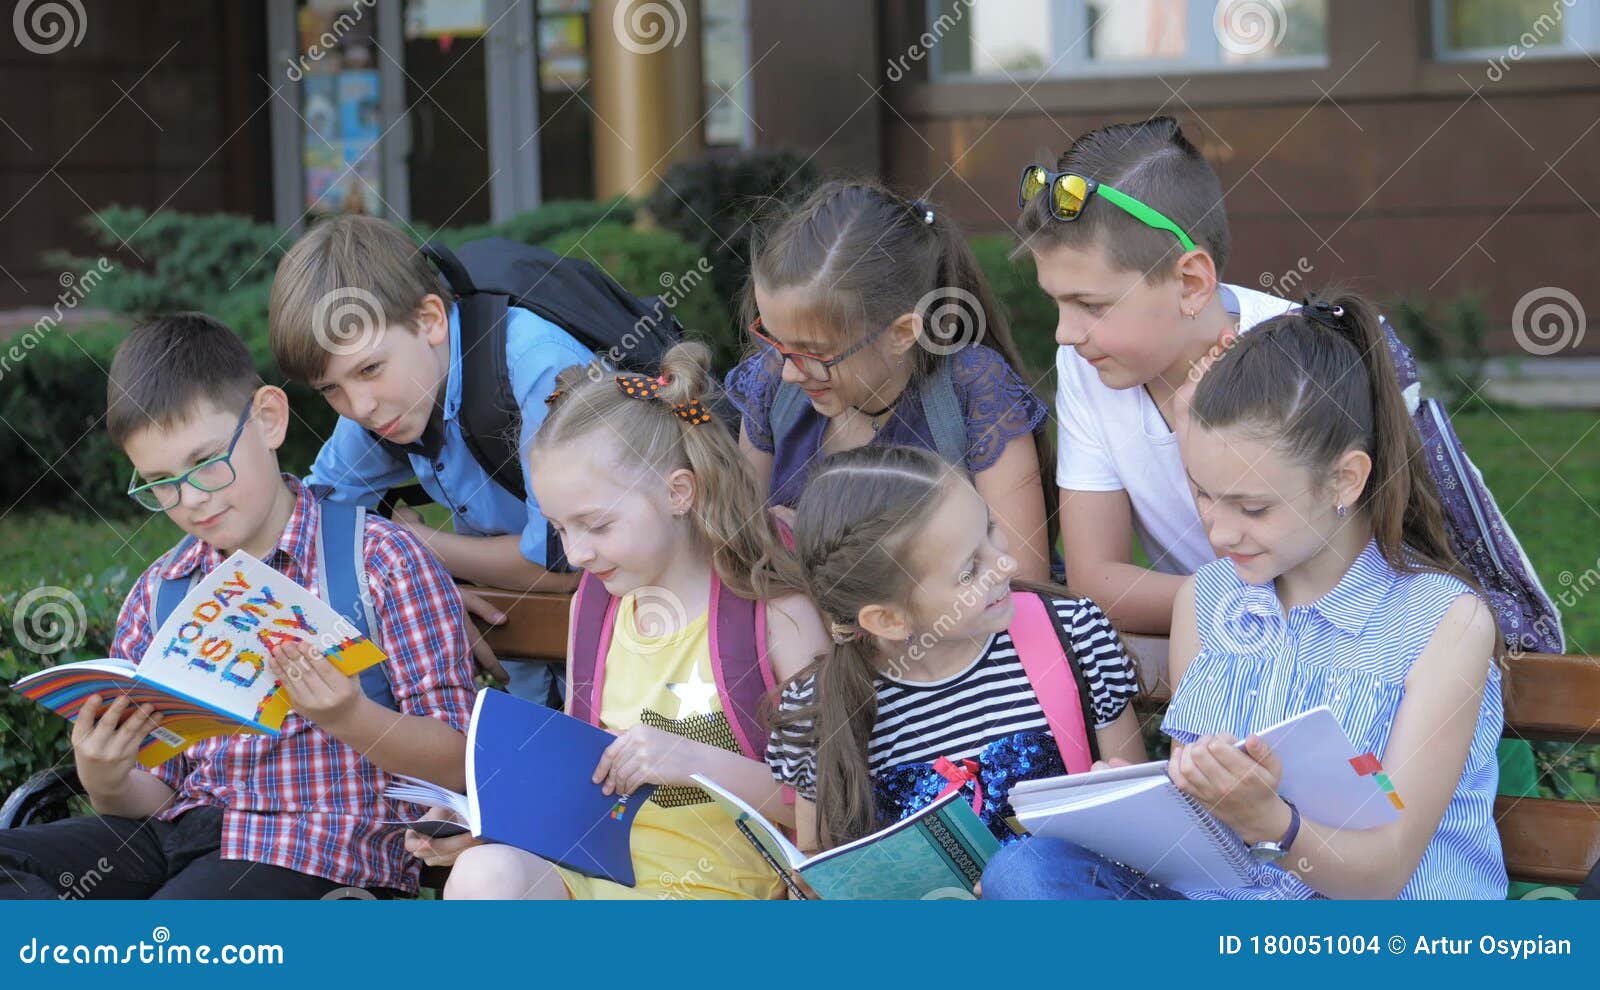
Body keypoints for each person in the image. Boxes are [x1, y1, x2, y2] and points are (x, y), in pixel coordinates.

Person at [982, 294, 1507, 900]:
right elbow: (1200, 837)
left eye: (1252, 507)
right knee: (1029, 872)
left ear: (1346, 479)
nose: (1219, 533)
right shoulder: (1206, 601)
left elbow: (1386, 872)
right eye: (1203, 494)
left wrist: (1274, 825)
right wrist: (1143, 812)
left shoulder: (1444, 621)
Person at [0, 313, 476, 899]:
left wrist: (350, 719)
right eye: (161, 482)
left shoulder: (379, 562)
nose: (191, 499)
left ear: (269, 419)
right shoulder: (162, 590)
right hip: (184, 837)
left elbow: (461, 762)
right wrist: (107, 777)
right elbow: (159, 799)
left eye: (205, 463)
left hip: (322, 852)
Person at [409, 343, 829, 899]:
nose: (577, 552)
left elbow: (829, 805)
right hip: (598, 868)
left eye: (596, 525)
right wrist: (486, 817)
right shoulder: (600, 608)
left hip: (721, 888)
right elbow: (578, 772)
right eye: (561, 529)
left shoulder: (774, 615)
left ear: (678, 492)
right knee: (483, 878)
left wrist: (695, 763)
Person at [270, 214, 593, 706]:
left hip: (643, 659)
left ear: (430, 320)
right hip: (533, 668)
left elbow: (572, 560)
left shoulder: (538, 367)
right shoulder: (385, 400)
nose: (359, 407)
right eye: (331, 389)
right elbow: (307, 524)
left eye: (370, 369)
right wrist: (427, 592)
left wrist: (416, 552)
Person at [768, 444, 1145, 863]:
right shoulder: (819, 710)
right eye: (969, 571)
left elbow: (1140, 834)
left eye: (991, 528)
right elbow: (820, 864)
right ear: (889, 619)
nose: (1005, 565)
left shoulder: (1072, 634)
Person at [726, 181, 1057, 581]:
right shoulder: (773, 389)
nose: (789, 370)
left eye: (814, 351)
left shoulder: (972, 393)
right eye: (774, 340)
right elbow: (740, 557)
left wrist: (814, 552)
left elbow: (1024, 580)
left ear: (902, 334)